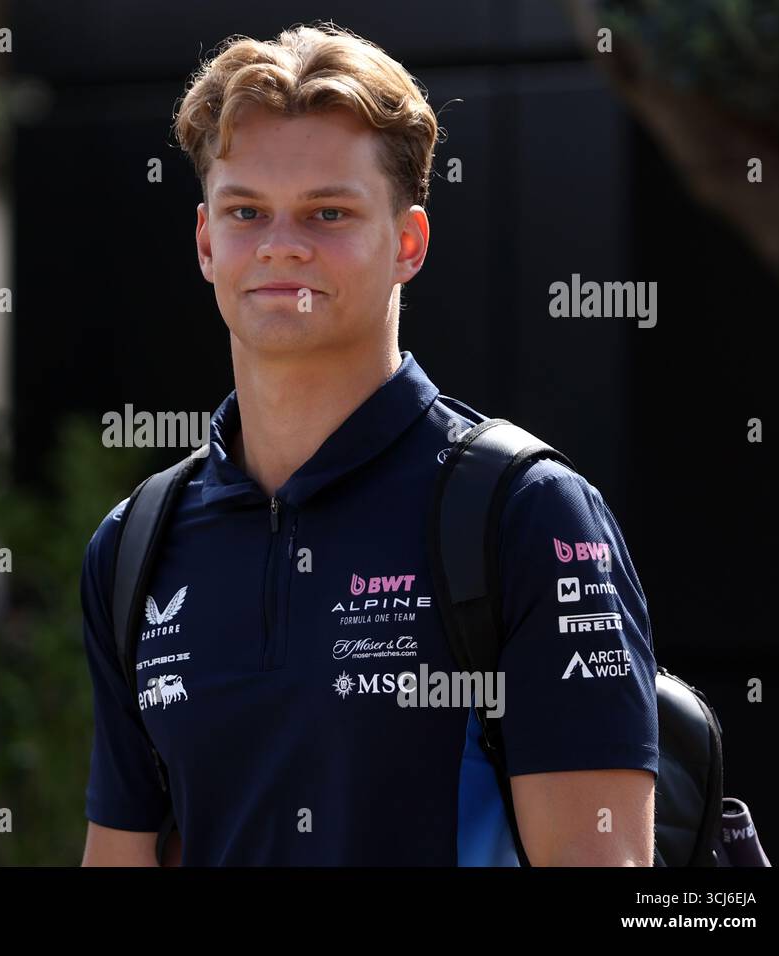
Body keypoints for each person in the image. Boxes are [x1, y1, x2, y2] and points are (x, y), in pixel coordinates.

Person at [79, 23, 658, 866]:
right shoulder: (136, 545)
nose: (281, 243)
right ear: (207, 243)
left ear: (409, 244)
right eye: (246, 211)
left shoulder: (526, 515)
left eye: (329, 212)